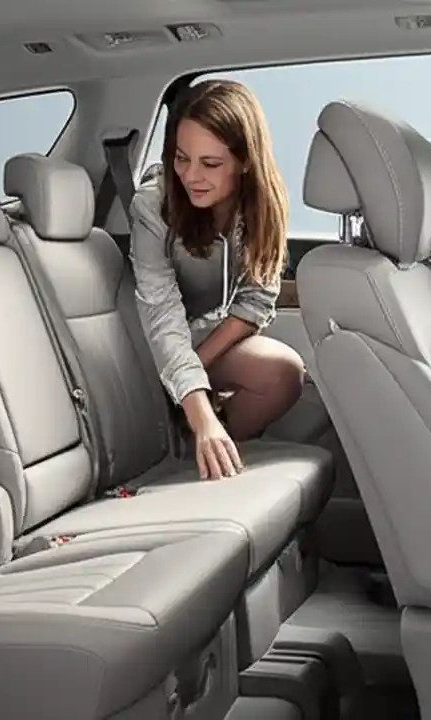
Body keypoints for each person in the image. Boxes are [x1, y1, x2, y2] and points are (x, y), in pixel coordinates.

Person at [129, 79, 305, 481]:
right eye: (181, 158)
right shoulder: (152, 207)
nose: (191, 176)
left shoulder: (263, 207)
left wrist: (199, 373)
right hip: (153, 340)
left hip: (201, 340)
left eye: (210, 164)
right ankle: (198, 440)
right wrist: (198, 405)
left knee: (284, 373)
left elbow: (256, 302)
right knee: (196, 390)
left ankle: (203, 455)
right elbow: (161, 318)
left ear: (245, 161)